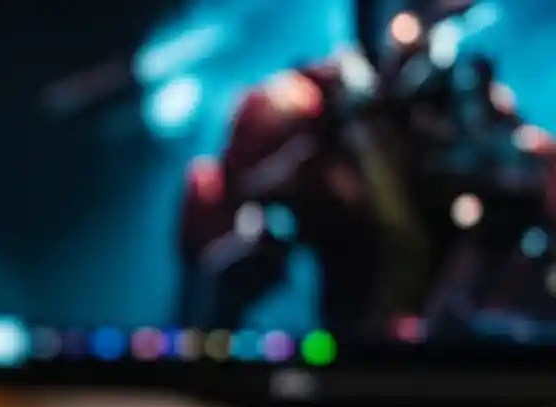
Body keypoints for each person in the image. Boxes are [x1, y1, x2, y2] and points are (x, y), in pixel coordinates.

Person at [178, 0, 556, 342]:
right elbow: (216, 269)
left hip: (445, 362)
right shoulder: (299, 110)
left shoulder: (476, 107)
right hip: (335, 353)